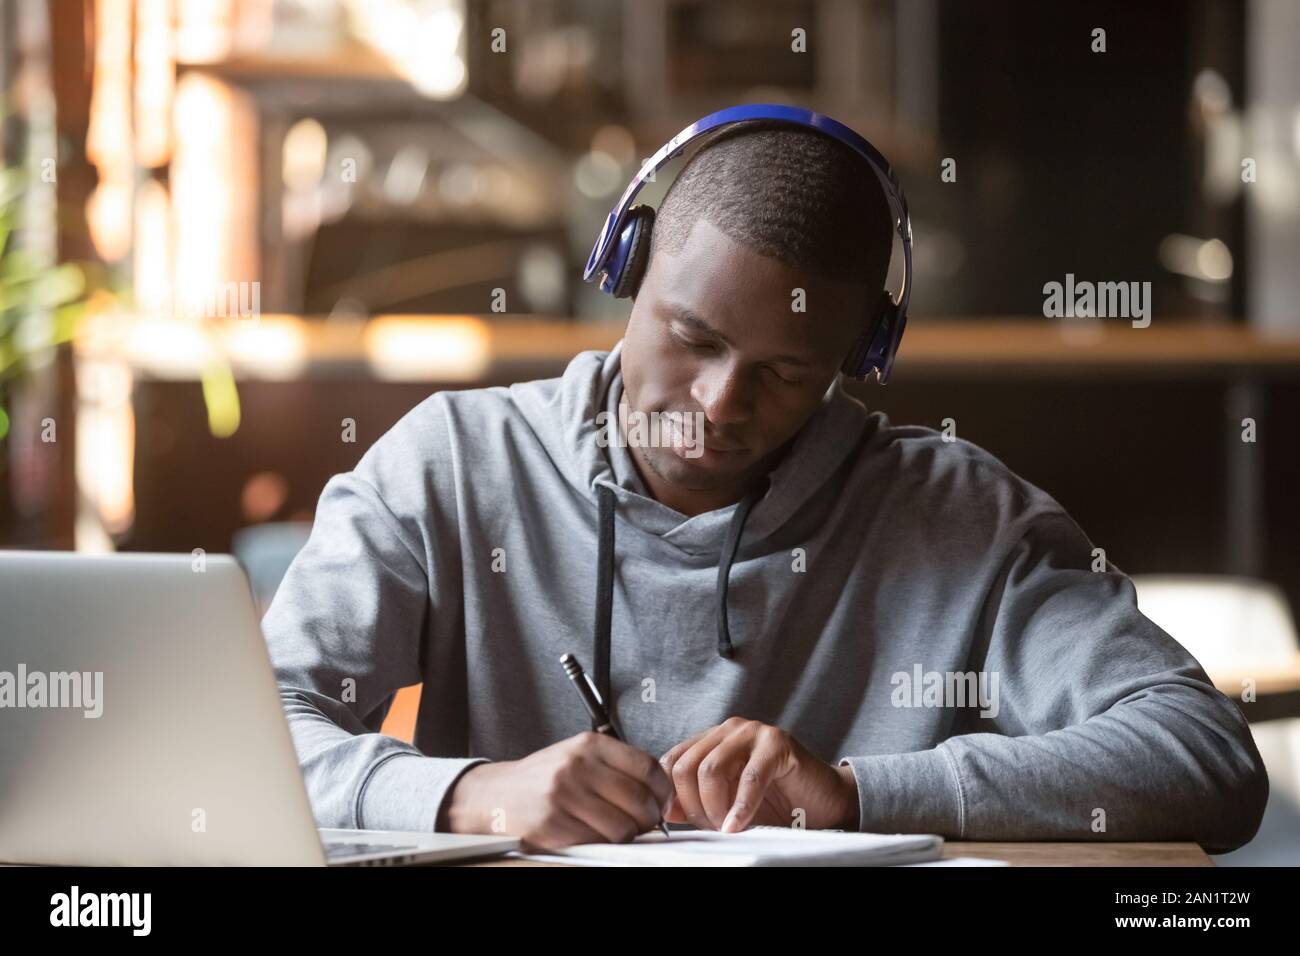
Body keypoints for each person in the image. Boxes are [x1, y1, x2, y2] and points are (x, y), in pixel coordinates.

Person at [262, 118, 1267, 853]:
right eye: (690, 337)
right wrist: (476, 793)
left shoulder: (957, 517)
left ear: (854, 358)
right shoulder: (451, 462)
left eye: (785, 372)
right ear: (624, 268)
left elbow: (1205, 759)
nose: (716, 401)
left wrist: (855, 792)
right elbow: (256, 733)